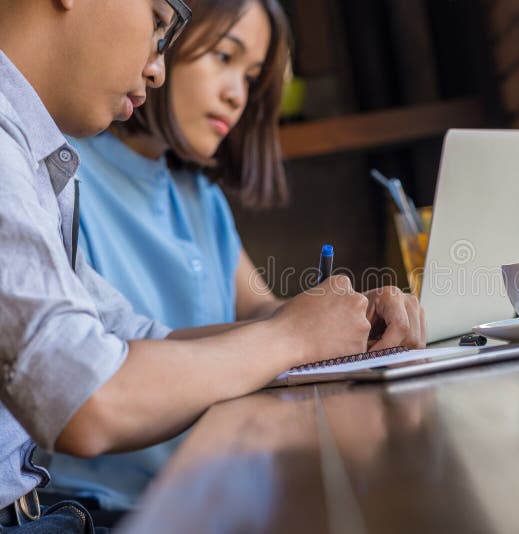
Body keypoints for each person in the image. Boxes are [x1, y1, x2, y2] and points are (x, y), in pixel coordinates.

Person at [0, 1, 423, 531]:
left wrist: (338, 326)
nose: (157, 67)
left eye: (251, 77)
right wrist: (291, 337)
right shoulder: (57, 162)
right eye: (160, 22)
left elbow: (131, 337)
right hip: (108, 501)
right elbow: (88, 395)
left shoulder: (48, 166)